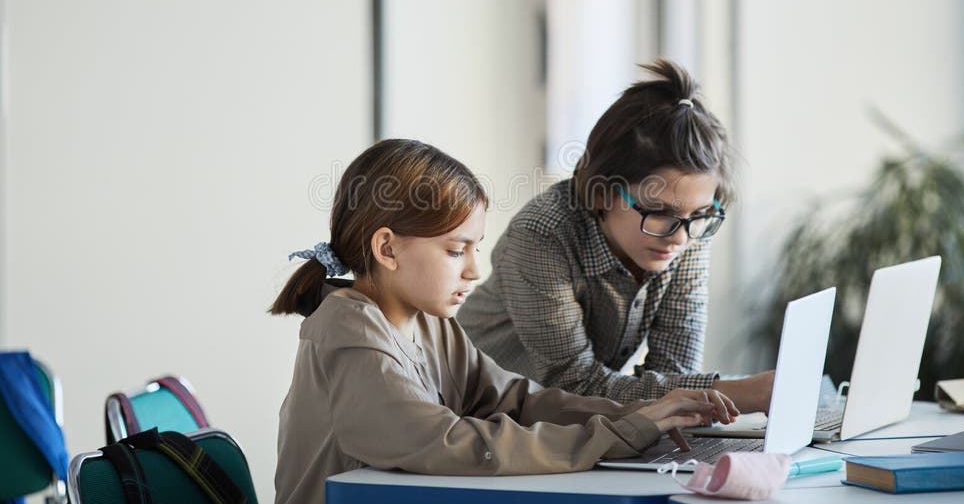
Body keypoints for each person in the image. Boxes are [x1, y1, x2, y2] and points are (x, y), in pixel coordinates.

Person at [271, 139, 738, 504]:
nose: (474, 270)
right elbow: (445, 442)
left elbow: (516, 401)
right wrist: (616, 436)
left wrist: (638, 415)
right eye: (456, 251)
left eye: (474, 248)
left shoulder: (432, 326)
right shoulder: (349, 331)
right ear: (387, 248)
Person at [457, 59, 773, 413]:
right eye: (659, 212)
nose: (680, 239)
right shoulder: (541, 235)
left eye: (699, 214)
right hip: (475, 411)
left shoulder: (687, 232)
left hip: (563, 422)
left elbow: (675, 373)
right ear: (602, 193)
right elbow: (575, 385)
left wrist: (692, 402)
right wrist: (740, 393)